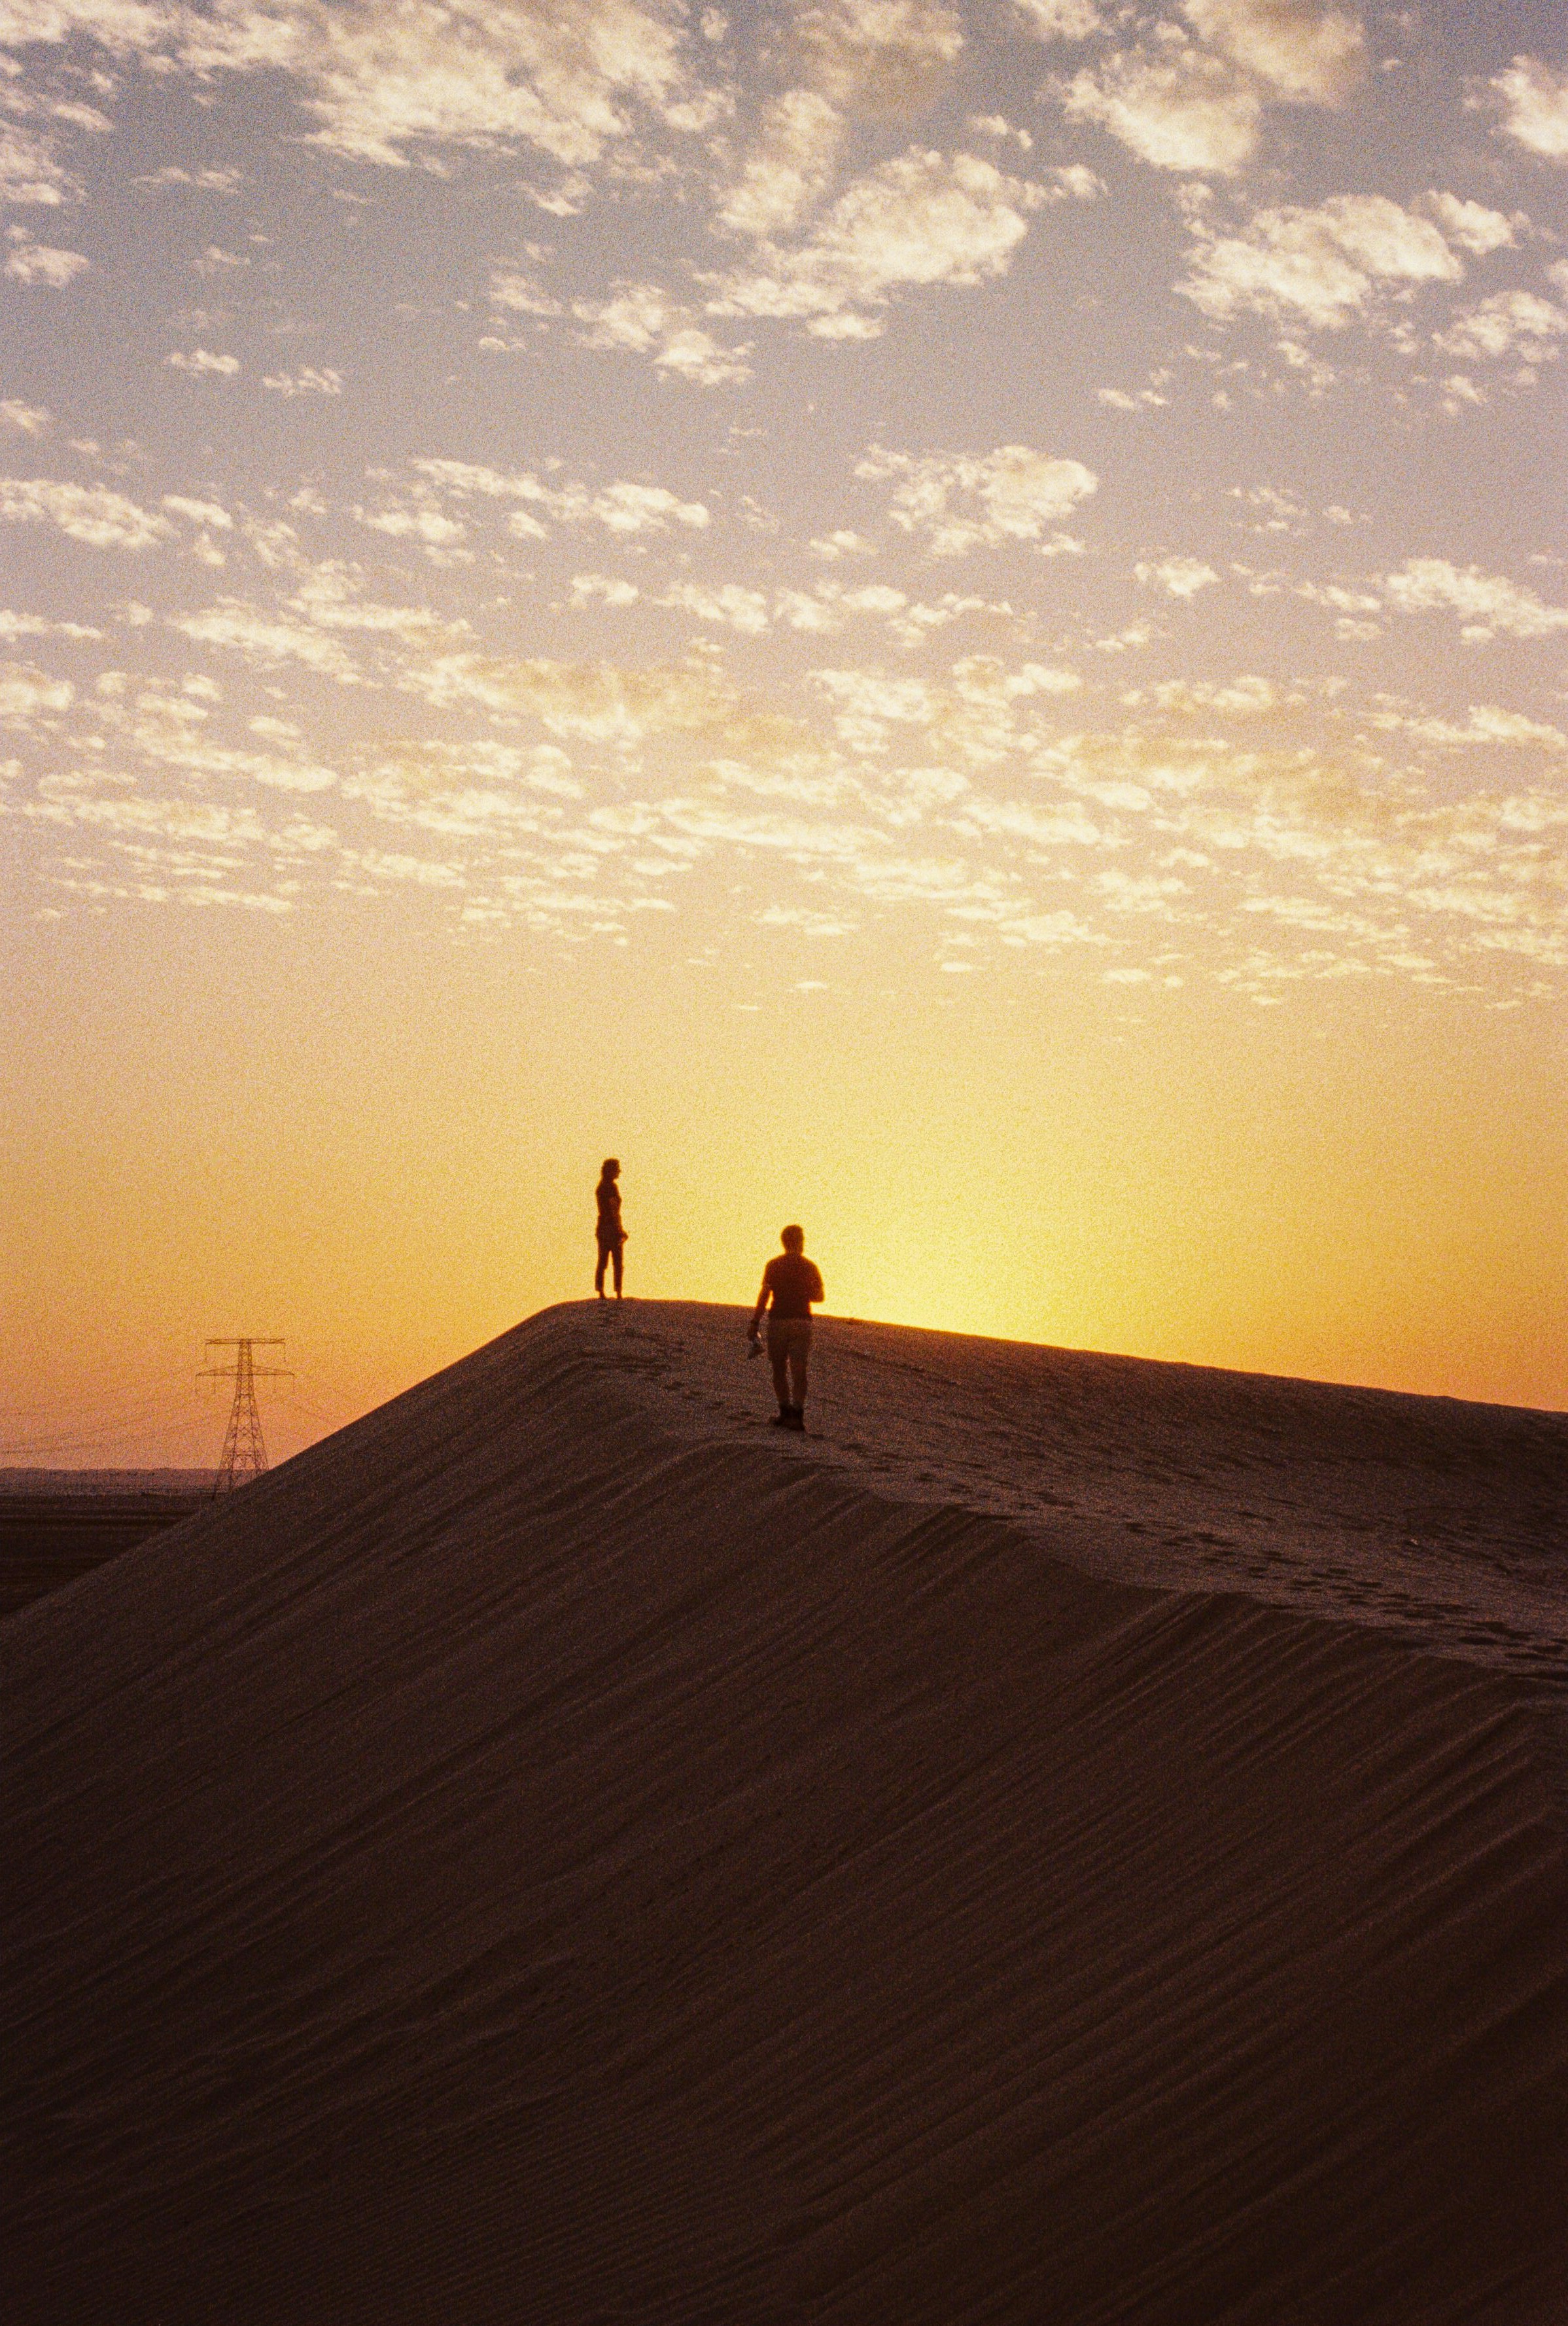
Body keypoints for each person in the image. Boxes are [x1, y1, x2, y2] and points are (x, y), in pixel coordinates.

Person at [748, 1224, 824, 1430]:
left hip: (779, 1321)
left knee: (779, 1368)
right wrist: (802, 1292)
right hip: (801, 1322)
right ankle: (797, 1416)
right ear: (799, 1242)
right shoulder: (810, 1267)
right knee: (799, 1369)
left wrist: (755, 1321)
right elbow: (820, 1296)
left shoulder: (773, 1265)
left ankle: (785, 1411)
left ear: (784, 1242)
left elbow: (764, 1295)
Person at [594, 1158, 627, 1298]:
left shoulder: (601, 1187)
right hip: (611, 1228)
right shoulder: (611, 1187)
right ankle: (618, 1290)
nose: (618, 1172)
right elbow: (613, 1209)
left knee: (603, 1260)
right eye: (617, 1169)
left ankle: (601, 1289)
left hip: (603, 1227)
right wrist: (620, 1229)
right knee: (617, 1261)